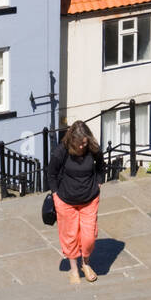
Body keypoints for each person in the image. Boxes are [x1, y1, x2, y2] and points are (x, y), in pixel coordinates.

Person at [47, 121, 105, 284]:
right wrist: (56, 195)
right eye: (79, 144)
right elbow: (51, 174)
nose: (82, 147)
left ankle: (85, 264)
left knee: (89, 237)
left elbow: (101, 166)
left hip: (90, 198)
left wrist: (99, 182)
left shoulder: (93, 148)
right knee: (70, 236)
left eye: (84, 143)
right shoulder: (62, 151)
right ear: (72, 140)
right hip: (66, 200)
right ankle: (74, 269)